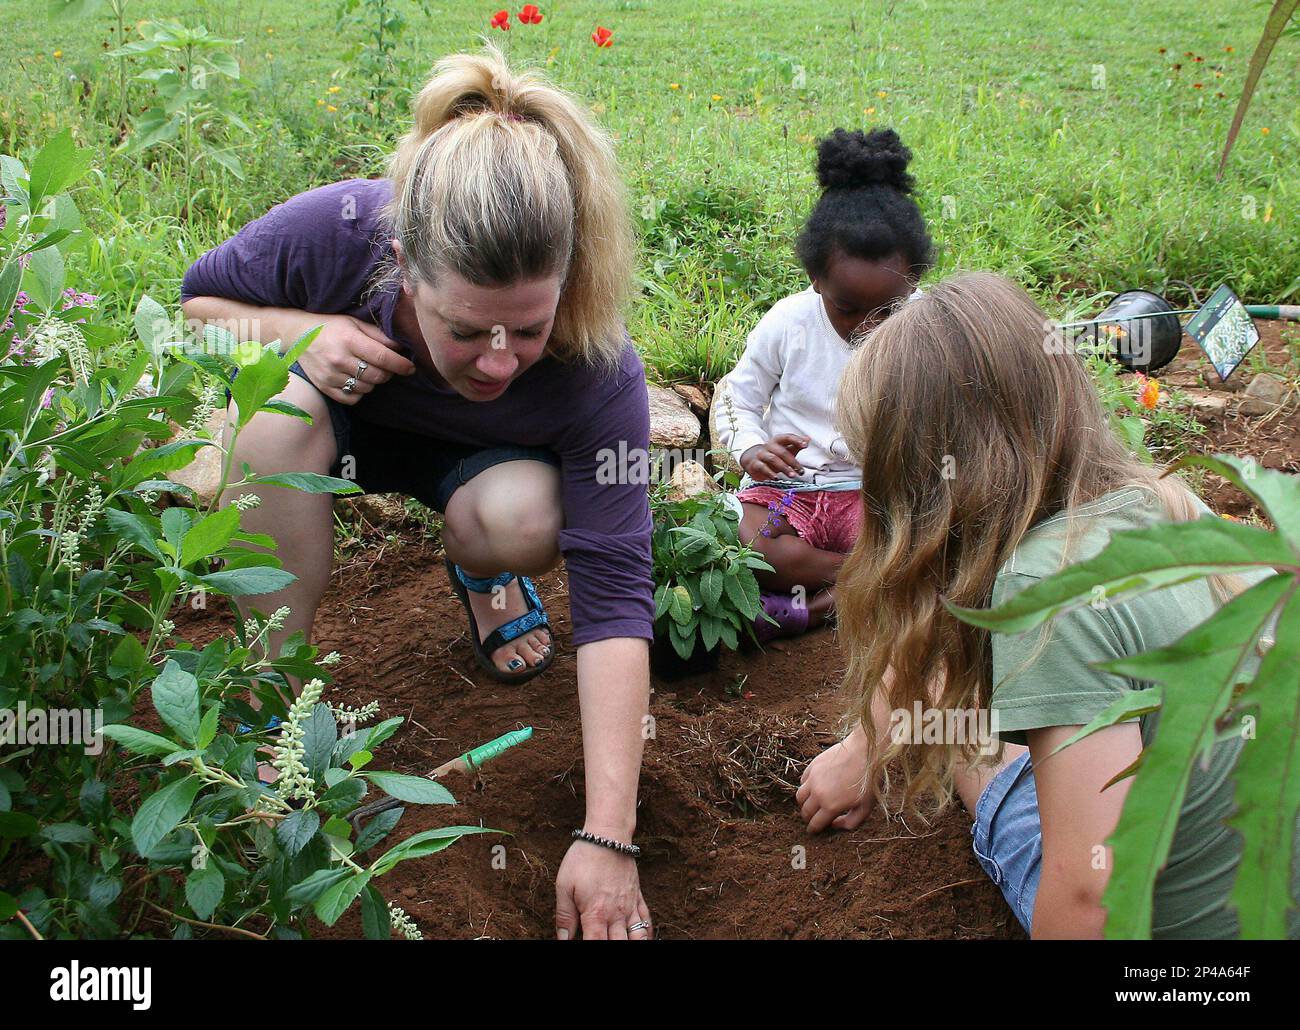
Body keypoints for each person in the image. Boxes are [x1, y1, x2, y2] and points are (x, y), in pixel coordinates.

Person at [181, 46, 655, 940]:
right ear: (402, 263)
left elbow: (616, 594)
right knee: (272, 419)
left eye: (529, 327)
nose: (501, 359)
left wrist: (609, 834)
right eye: (466, 329)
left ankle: (483, 573)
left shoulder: (600, 369)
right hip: (336, 438)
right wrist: (299, 331)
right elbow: (194, 312)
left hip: (479, 474)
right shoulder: (337, 227)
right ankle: (272, 712)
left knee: (522, 518)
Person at [796, 271, 1297, 939]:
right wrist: (865, 746)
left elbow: (1091, 894)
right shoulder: (1161, 502)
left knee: (971, 737)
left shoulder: (1048, 592)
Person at [713, 128, 932, 640]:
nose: (867, 328)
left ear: (915, 282)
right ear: (815, 278)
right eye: (849, 308)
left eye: (888, 311)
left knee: (928, 537)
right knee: (760, 546)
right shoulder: (789, 323)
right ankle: (870, 587)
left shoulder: (927, 328)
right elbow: (735, 402)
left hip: (875, 496)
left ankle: (819, 606)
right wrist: (751, 450)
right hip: (796, 492)